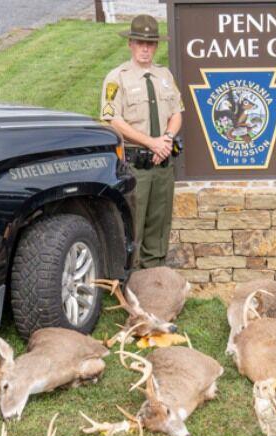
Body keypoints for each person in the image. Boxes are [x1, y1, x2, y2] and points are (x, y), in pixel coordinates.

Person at [100, 14, 183, 268]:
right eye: (139, 42)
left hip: (162, 163)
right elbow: (113, 120)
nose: (145, 48)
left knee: (159, 224)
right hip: (137, 165)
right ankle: (131, 282)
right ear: (130, 44)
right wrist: (151, 143)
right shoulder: (117, 78)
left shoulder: (164, 76)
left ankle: (155, 277)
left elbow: (177, 113)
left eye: (150, 43)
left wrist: (166, 140)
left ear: (156, 46)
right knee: (132, 224)